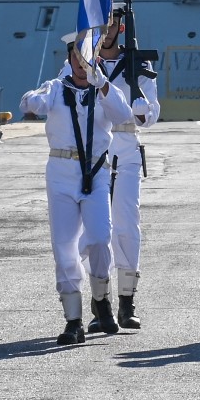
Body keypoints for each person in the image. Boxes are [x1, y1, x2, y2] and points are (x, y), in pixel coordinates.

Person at [21, 32, 132, 346]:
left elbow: (123, 115)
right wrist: (36, 100)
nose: (82, 65)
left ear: (95, 59)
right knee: (65, 246)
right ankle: (73, 319)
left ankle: (102, 300)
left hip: (95, 170)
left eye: (87, 58)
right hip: (62, 171)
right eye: (77, 59)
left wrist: (104, 85)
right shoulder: (57, 88)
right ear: (69, 60)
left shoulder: (103, 90)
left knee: (99, 237)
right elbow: (32, 102)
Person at [94, 9, 160, 329]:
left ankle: (127, 303)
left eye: (112, 23)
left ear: (121, 27)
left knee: (126, 227)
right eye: (102, 23)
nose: (107, 29)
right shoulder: (84, 64)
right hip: (92, 152)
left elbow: (150, 117)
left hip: (125, 150)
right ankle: (100, 305)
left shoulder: (139, 65)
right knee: (96, 232)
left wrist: (142, 107)